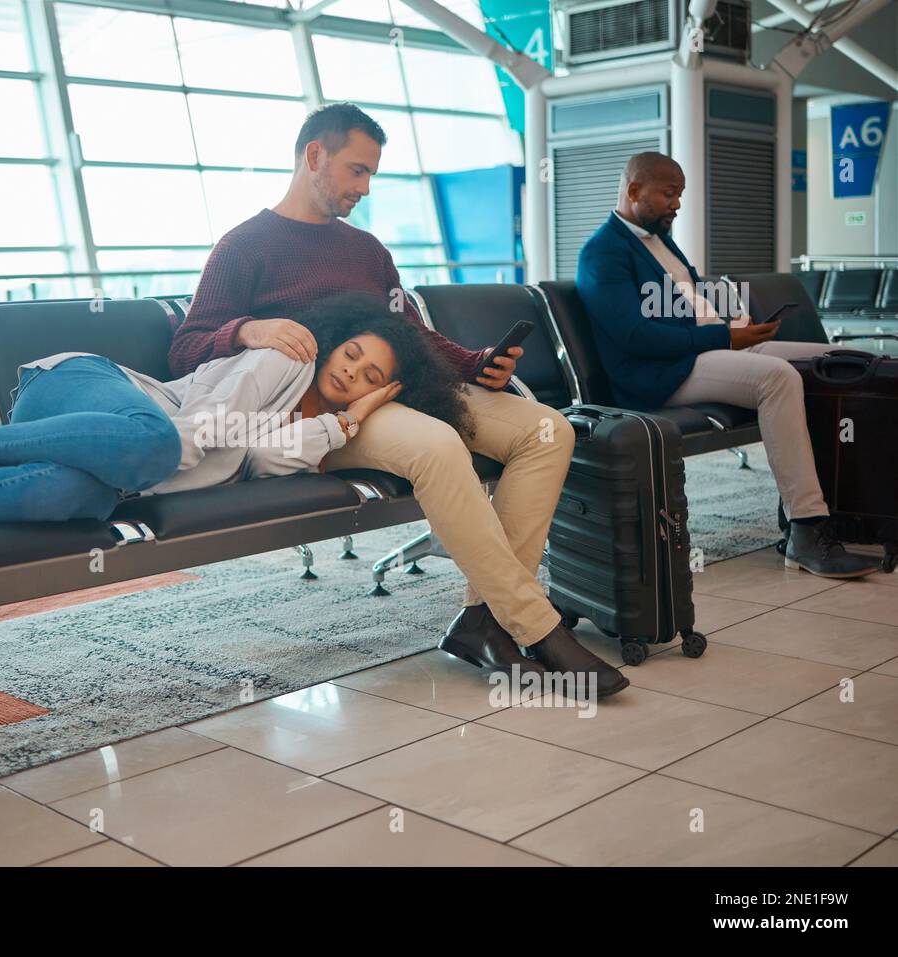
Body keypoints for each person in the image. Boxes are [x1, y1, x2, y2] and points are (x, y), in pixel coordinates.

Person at [168, 102, 628, 697]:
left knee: (547, 431)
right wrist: (249, 329)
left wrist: (475, 363)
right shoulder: (244, 247)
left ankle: (482, 619)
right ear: (315, 156)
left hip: (404, 391)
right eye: (356, 171)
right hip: (326, 413)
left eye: (371, 175)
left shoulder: (366, 250)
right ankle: (538, 628)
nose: (364, 187)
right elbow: (186, 349)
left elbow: (412, 330)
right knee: (437, 446)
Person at [0, 293, 467, 564]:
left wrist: (345, 426)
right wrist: (300, 426)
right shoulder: (283, 359)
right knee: (152, 444)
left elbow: (263, 464)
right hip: (84, 386)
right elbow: (209, 429)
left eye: (372, 380)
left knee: (71, 496)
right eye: (353, 356)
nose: (351, 376)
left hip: (99, 458)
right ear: (334, 341)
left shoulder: (318, 426)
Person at [576, 151, 876, 579]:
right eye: (669, 193)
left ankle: (860, 506)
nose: (677, 204)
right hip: (658, 376)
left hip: (702, 352)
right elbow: (635, 337)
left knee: (837, 361)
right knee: (777, 378)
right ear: (634, 191)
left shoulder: (660, 241)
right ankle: (807, 530)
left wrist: (734, 325)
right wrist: (724, 337)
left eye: (680, 194)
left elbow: (692, 302)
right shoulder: (602, 253)